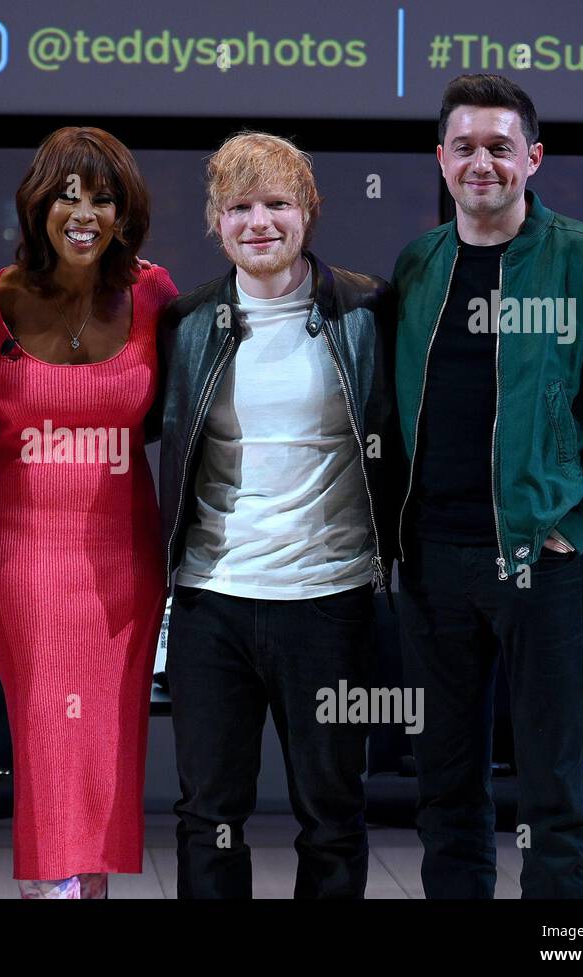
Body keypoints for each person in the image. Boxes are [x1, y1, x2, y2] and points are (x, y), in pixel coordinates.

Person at [391, 74, 583, 898]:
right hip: (434, 567)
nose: (483, 163)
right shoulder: (419, 265)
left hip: (540, 565)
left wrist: (575, 524)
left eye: (501, 147)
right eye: (466, 147)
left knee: (553, 793)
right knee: (446, 791)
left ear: (534, 158)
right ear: (441, 160)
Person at [153, 132, 398, 898]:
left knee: (332, 815)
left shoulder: (367, 311)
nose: (259, 222)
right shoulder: (186, 324)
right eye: (239, 207)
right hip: (211, 604)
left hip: (331, 604)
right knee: (208, 814)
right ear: (215, 221)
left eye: (277, 204)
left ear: (309, 212)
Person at [0, 126, 176, 898]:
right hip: (23, 555)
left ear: (123, 212)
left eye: (103, 198)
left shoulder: (152, 293)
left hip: (126, 554)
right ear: (38, 205)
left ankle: (90, 888)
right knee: (51, 731)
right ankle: (52, 890)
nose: (84, 213)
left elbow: (186, 407)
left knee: (106, 745)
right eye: (67, 197)